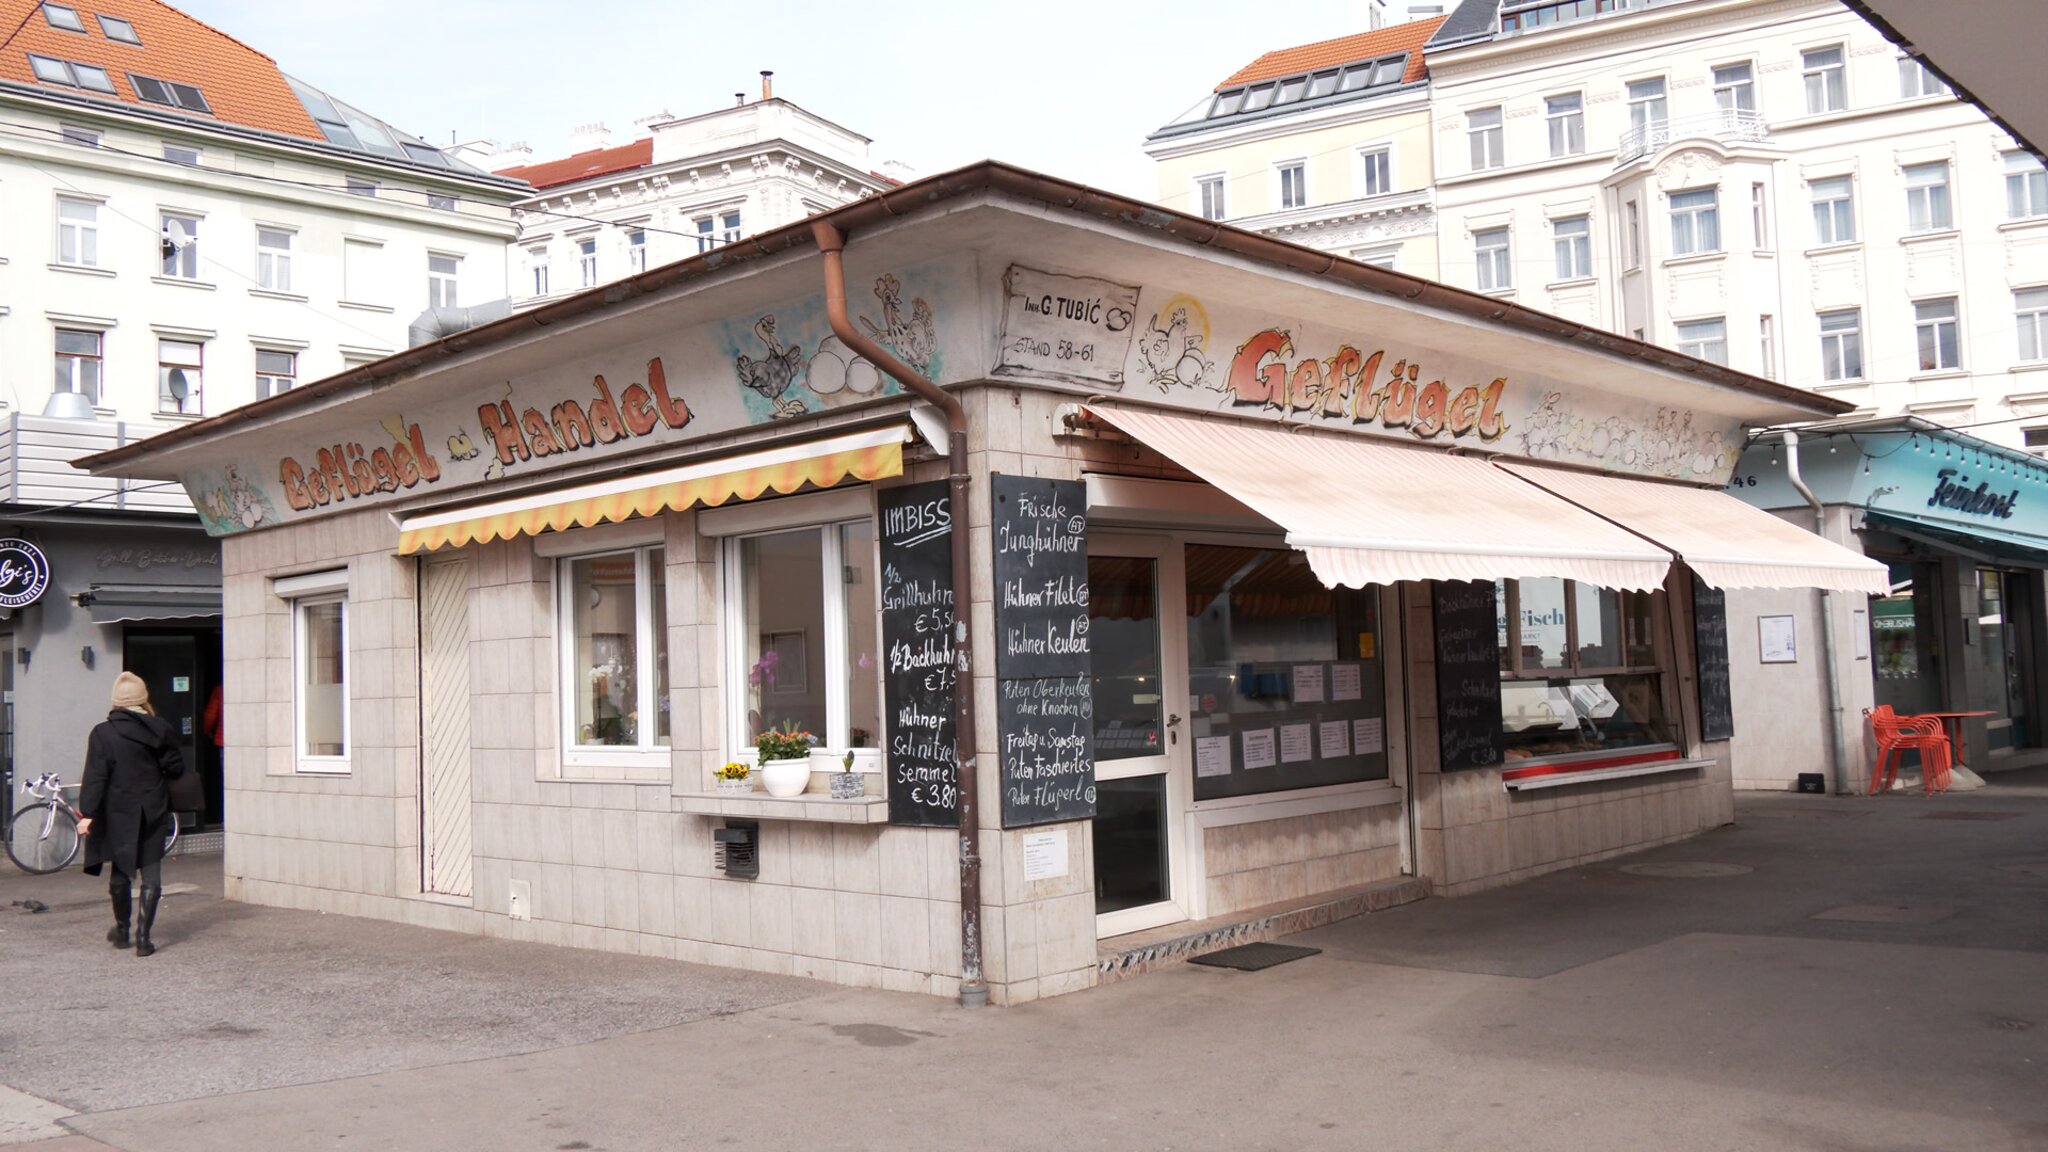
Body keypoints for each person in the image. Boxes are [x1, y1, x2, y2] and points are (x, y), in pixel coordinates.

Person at [75, 672, 186, 957]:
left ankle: (123, 930)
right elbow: (175, 768)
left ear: (116, 701)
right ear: (142, 699)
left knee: (121, 869)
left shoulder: (103, 733)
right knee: (151, 869)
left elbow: (96, 778)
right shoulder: (159, 729)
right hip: (152, 807)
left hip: (118, 811)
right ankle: (145, 938)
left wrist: (87, 812)